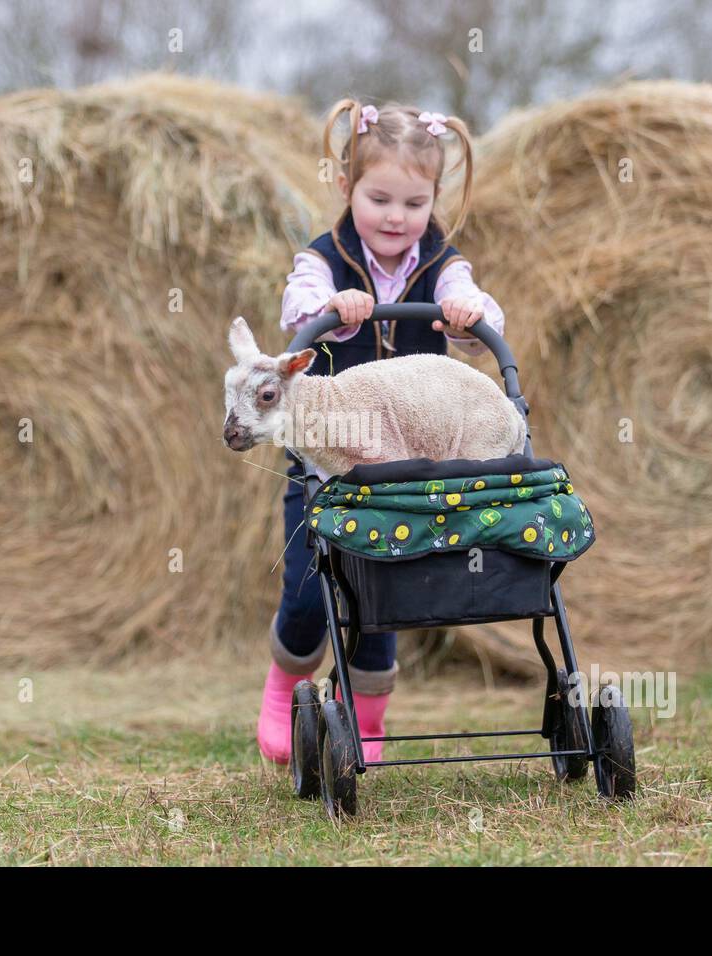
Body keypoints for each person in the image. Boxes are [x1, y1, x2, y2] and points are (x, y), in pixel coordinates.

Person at [258, 98, 506, 764]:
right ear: (346, 189)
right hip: (329, 459)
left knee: (389, 584)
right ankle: (285, 685)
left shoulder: (442, 265)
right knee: (311, 585)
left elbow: (488, 323)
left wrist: (467, 313)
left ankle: (367, 717)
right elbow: (297, 309)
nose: (397, 217)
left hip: (406, 464)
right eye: (380, 199)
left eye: (415, 203)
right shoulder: (325, 258)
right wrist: (331, 309)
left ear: (433, 202)